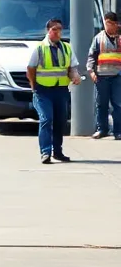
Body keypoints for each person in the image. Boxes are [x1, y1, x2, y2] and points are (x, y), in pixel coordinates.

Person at [26, 18, 82, 164]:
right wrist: (34, 87)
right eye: (54, 29)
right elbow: (30, 69)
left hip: (61, 91)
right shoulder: (40, 48)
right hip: (43, 91)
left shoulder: (67, 47)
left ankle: (57, 152)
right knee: (46, 119)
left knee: (60, 121)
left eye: (60, 29)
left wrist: (75, 76)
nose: (58, 33)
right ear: (48, 31)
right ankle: (45, 152)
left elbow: (72, 68)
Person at [88, 11, 121, 140]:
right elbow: (91, 56)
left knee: (118, 104)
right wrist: (91, 71)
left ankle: (118, 131)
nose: (108, 26)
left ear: (116, 24)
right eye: (106, 23)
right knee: (101, 104)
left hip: (117, 77)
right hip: (101, 76)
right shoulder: (98, 38)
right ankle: (102, 129)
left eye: (111, 24)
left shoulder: (120, 39)